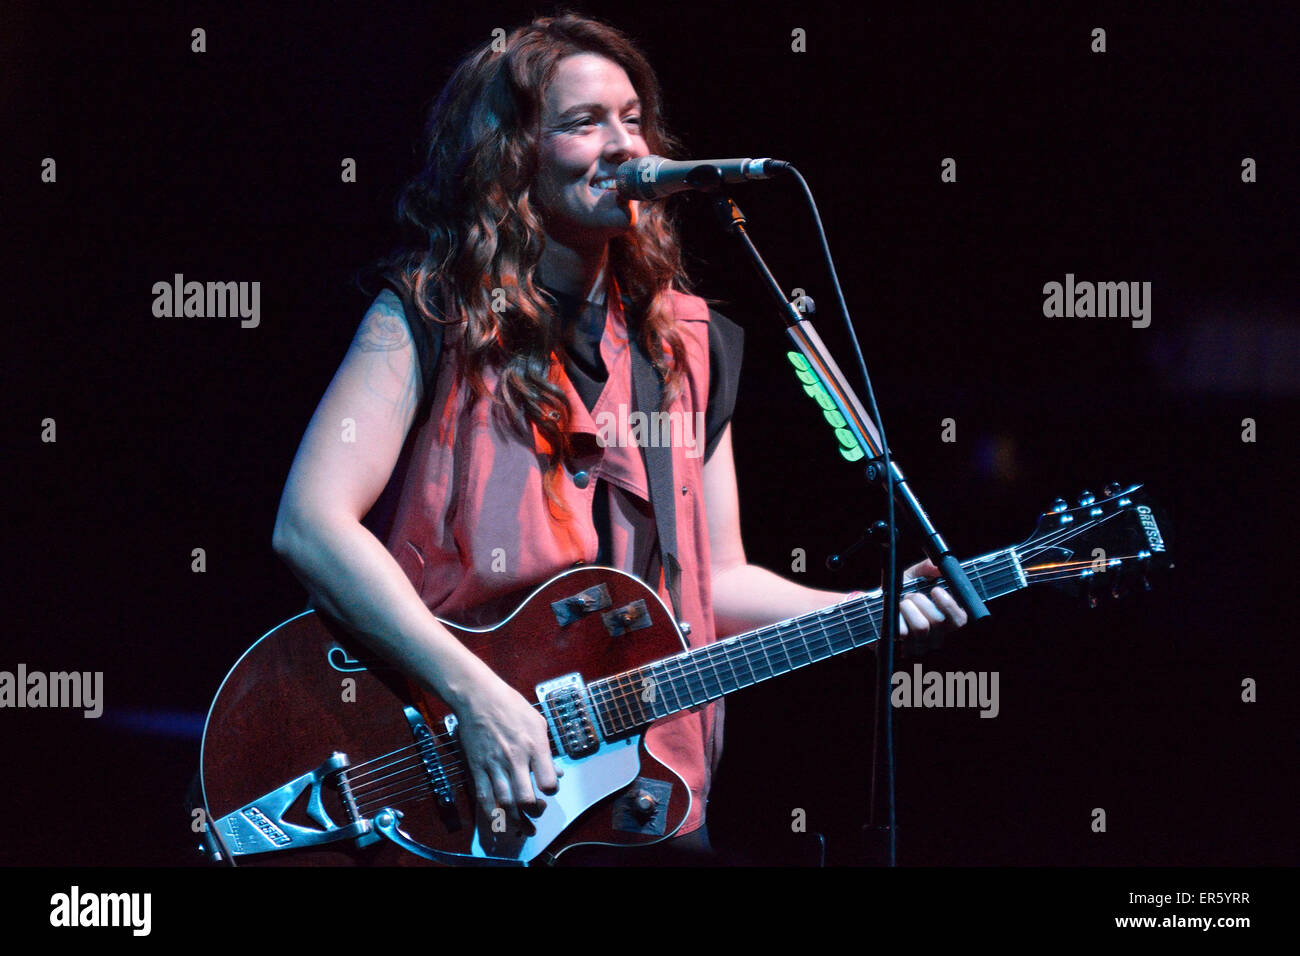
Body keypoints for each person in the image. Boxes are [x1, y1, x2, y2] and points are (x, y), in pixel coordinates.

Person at [271, 12, 967, 865]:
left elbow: (718, 580)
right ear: (509, 155)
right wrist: (474, 696)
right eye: (582, 122)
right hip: (469, 776)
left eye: (633, 118)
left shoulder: (689, 343)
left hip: (646, 795)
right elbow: (312, 523)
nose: (623, 145)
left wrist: (871, 611)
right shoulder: (431, 312)